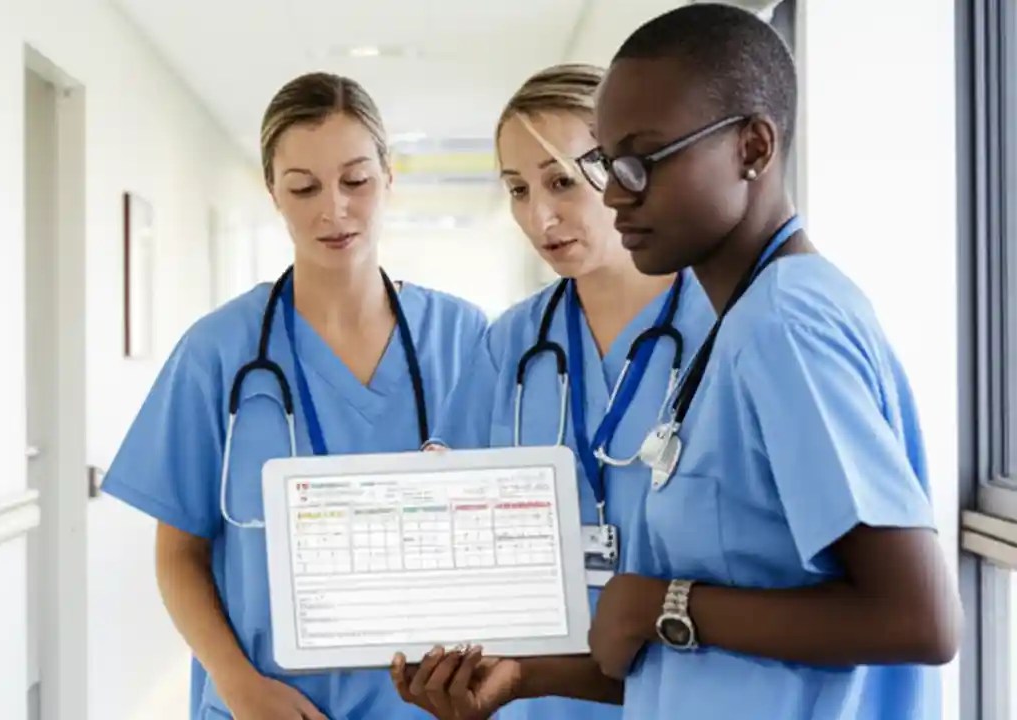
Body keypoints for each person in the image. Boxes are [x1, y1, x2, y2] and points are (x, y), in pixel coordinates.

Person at [393, 5, 962, 720]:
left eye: (642, 162)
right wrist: (527, 677)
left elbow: (918, 619)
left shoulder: (784, 325)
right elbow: (689, 653)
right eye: (607, 165)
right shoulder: (747, 320)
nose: (618, 193)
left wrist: (666, 602)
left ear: (753, 147)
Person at [100, 71, 487, 720]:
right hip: (267, 706)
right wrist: (237, 685)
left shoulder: (466, 338)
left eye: (356, 180)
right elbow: (179, 555)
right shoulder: (218, 353)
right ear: (273, 193)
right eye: (303, 187)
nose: (332, 208)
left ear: (390, 178)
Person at [386, 63, 713, 720]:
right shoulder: (509, 344)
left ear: (627, 169)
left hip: (692, 688)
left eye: (561, 181)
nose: (540, 217)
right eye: (516, 189)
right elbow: (451, 513)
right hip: (538, 701)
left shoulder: (720, 327)